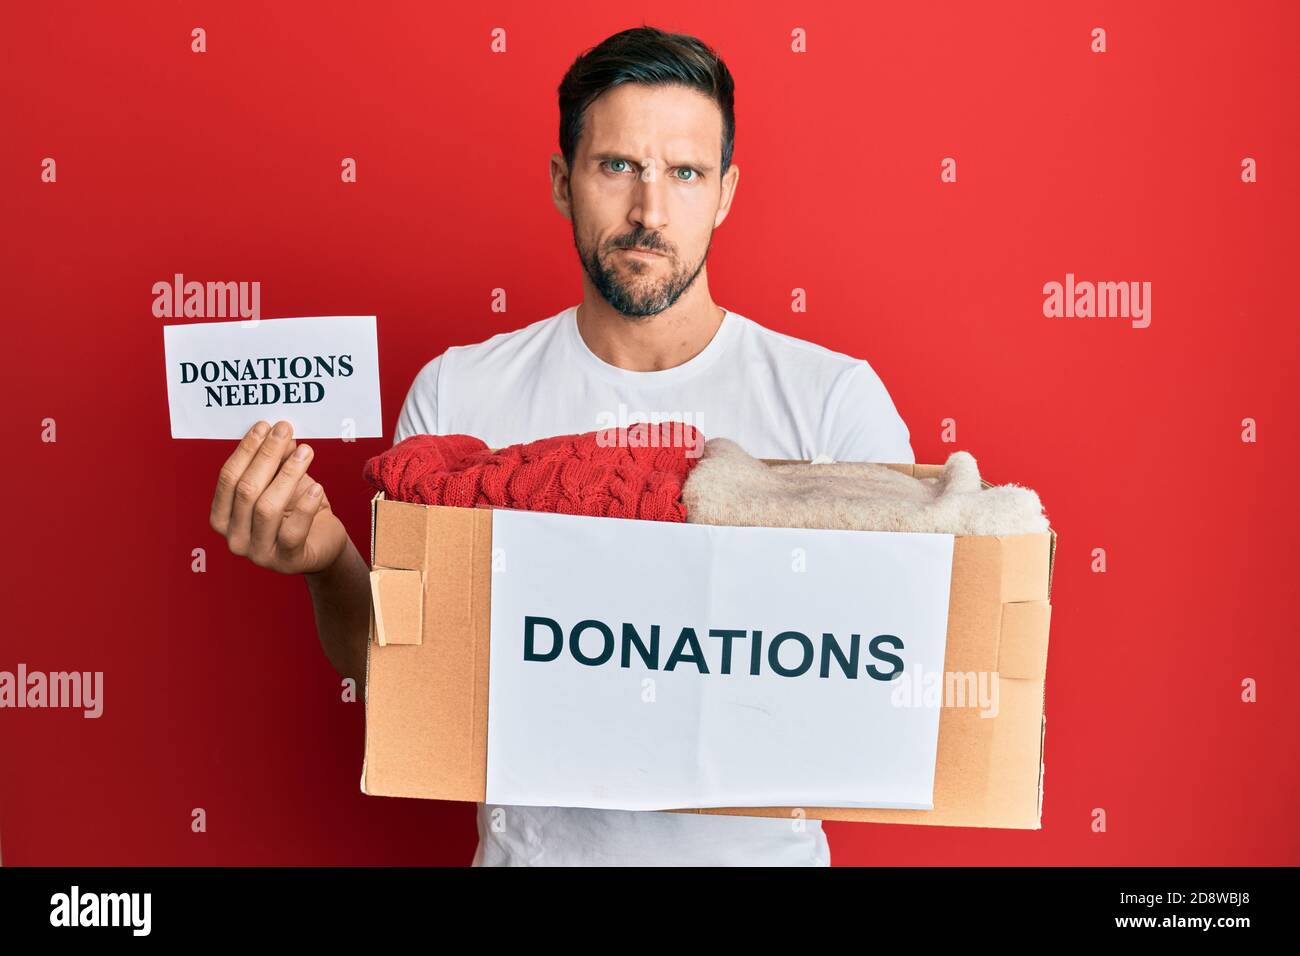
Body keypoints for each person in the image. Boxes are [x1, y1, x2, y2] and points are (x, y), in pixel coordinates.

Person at [209, 25, 912, 866]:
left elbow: (887, 671)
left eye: (684, 173)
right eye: (617, 166)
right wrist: (329, 562)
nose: (649, 211)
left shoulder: (831, 401)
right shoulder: (458, 393)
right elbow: (405, 668)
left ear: (724, 193)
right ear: (561, 181)